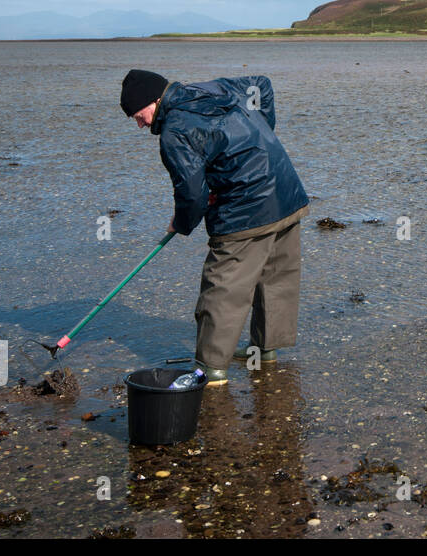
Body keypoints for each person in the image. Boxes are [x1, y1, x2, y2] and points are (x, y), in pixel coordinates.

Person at [119, 68, 310, 386]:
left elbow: (193, 193)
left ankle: (211, 369)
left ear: (155, 99)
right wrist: (263, 138)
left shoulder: (174, 132)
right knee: (276, 276)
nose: (139, 124)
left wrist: (180, 223)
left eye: (139, 115)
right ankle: (264, 352)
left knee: (223, 287)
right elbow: (261, 85)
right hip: (286, 191)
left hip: (245, 211)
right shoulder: (215, 88)